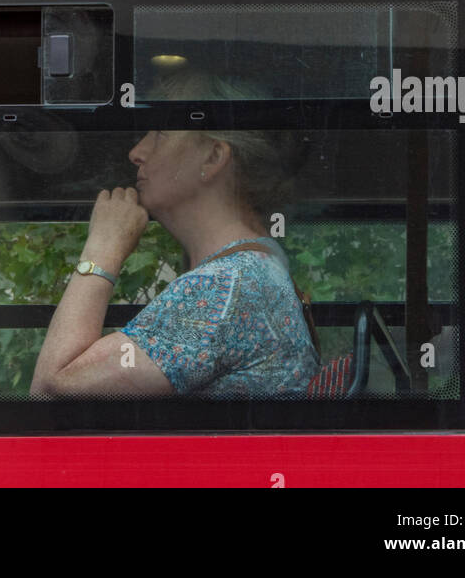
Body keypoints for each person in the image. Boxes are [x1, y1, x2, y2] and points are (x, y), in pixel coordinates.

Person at [29, 126, 320, 399]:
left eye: (160, 134)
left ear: (214, 156)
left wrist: (102, 247)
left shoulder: (224, 285)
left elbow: (49, 392)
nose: (136, 152)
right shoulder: (260, 263)